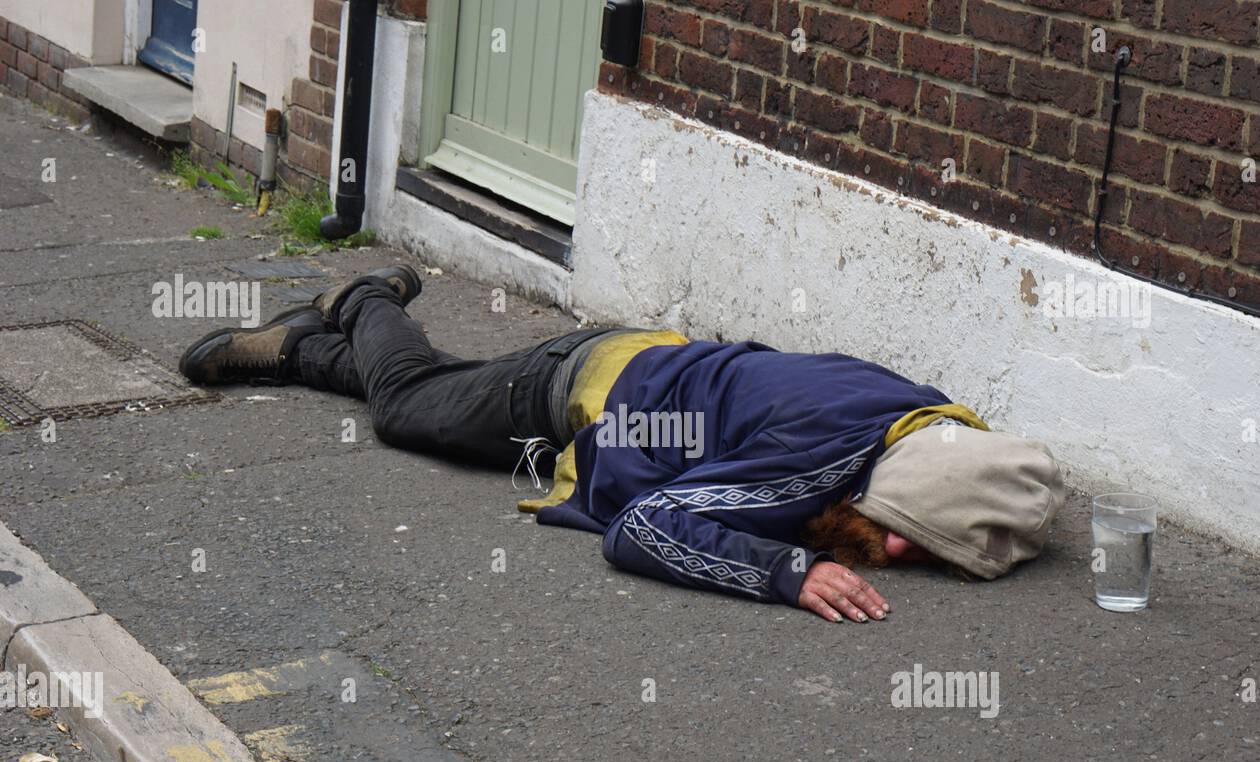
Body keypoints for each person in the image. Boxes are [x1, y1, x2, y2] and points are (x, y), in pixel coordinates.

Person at [180, 266, 1065, 624]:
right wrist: (789, 575)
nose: (900, 551)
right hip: (577, 390)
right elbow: (642, 526)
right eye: (916, 532)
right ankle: (364, 299)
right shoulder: (819, 462)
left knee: (449, 393)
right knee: (410, 408)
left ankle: (303, 347)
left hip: (643, 362)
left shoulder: (919, 413)